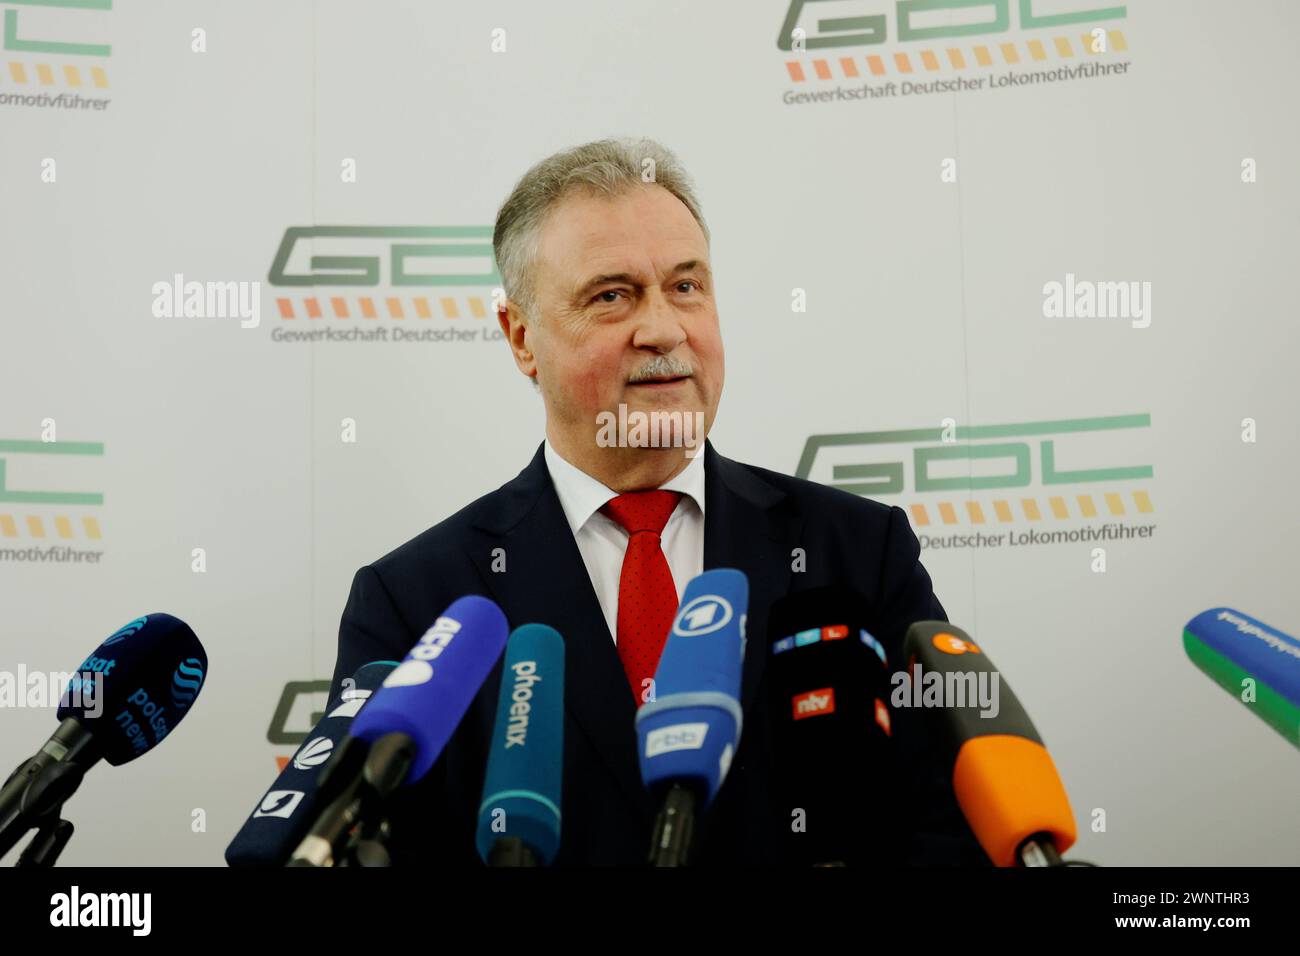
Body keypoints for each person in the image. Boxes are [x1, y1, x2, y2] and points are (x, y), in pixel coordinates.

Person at [329, 137, 989, 866]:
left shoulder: (860, 551)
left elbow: (947, 824)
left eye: (686, 286)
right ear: (522, 338)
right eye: (612, 295)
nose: (665, 330)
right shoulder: (415, 601)